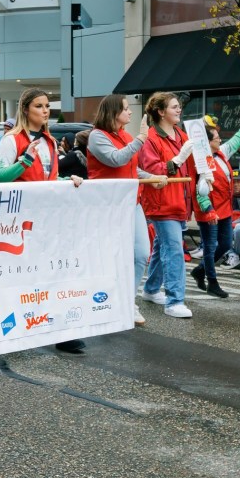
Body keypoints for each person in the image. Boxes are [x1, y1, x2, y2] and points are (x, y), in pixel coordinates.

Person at [0, 88, 86, 352]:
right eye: (39, 106)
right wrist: (24, 161)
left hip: (48, 219)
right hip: (19, 222)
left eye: (47, 106)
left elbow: (46, 179)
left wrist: (66, 180)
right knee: (20, 278)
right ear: (25, 109)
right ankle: (10, 329)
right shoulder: (11, 140)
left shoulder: (49, 141)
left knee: (54, 274)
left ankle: (61, 332)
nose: (45, 111)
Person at [87, 94, 158, 328]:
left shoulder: (126, 136)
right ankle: (103, 302)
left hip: (132, 202)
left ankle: (128, 300)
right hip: (108, 206)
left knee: (140, 253)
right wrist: (140, 139)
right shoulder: (97, 136)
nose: (129, 112)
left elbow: (132, 169)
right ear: (113, 111)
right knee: (109, 257)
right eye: (126, 109)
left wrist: (153, 178)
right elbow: (115, 160)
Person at [137, 92, 196, 319]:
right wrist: (178, 160)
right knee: (174, 250)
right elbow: (152, 171)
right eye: (174, 107)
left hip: (179, 200)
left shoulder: (180, 134)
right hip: (162, 203)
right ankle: (174, 301)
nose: (179, 109)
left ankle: (151, 290)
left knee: (163, 246)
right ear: (161, 112)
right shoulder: (151, 139)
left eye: (178, 106)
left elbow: (189, 165)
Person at [189, 116, 240, 298]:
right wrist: (208, 210)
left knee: (224, 244)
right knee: (210, 246)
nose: (220, 139)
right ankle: (212, 282)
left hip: (224, 208)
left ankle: (200, 271)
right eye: (216, 137)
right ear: (208, 142)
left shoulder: (221, 153)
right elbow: (200, 190)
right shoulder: (202, 160)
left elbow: (234, 142)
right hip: (210, 210)